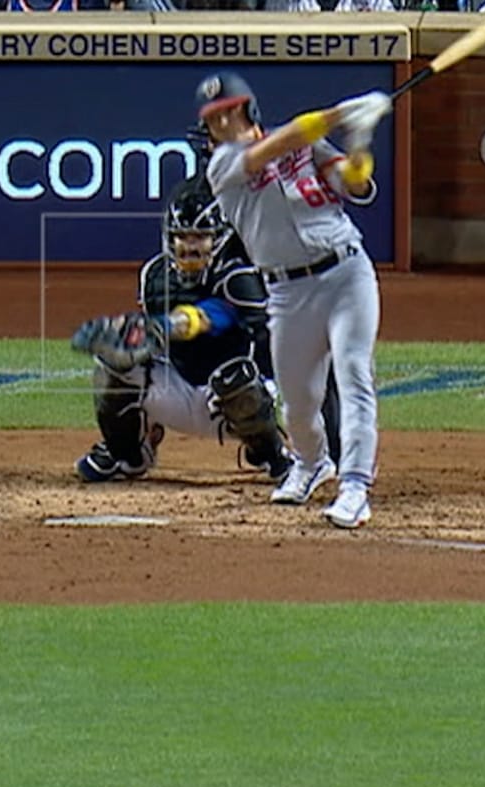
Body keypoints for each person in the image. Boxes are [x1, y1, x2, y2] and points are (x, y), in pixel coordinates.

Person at [196, 71, 390, 530]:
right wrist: (342, 113)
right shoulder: (223, 164)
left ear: (242, 110)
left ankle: (355, 486)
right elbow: (273, 148)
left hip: (346, 273)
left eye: (222, 114)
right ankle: (310, 463)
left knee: (353, 372)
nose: (216, 125)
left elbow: (354, 184)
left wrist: (360, 142)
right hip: (286, 291)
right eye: (211, 119)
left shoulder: (307, 147)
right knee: (299, 403)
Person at [71, 174, 342, 484]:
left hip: (230, 402)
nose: (189, 247)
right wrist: (132, 333)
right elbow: (150, 343)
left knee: (236, 377)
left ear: (219, 238)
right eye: (182, 237)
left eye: (199, 237)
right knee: (112, 363)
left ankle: (270, 453)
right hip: (179, 390)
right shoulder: (154, 275)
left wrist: (165, 326)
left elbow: (215, 315)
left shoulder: (240, 276)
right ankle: (127, 454)